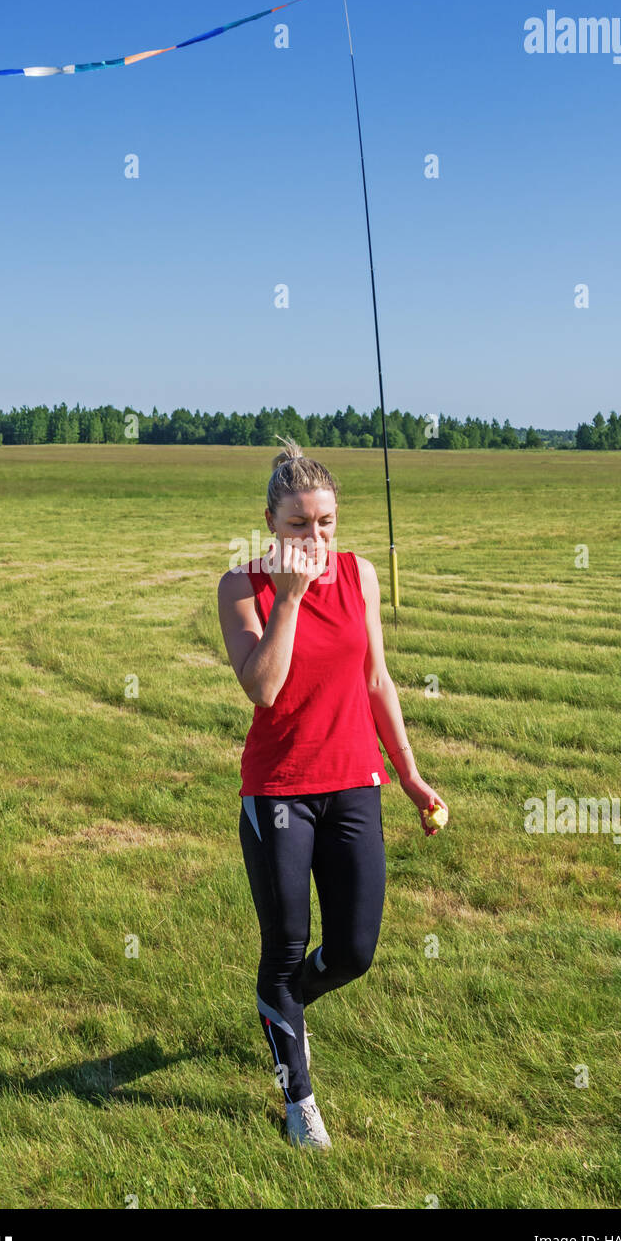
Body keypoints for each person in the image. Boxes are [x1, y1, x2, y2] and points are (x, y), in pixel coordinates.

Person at [217, 435, 448, 1149]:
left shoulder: (360, 576)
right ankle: (299, 1103)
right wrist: (288, 598)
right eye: (297, 524)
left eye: (325, 523)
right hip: (279, 791)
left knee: (353, 950)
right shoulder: (241, 586)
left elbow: (376, 679)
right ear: (269, 522)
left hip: (354, 782)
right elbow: (262, 687)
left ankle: (283, 1006)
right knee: (285, 945)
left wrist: (408, 774)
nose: (314, 538)